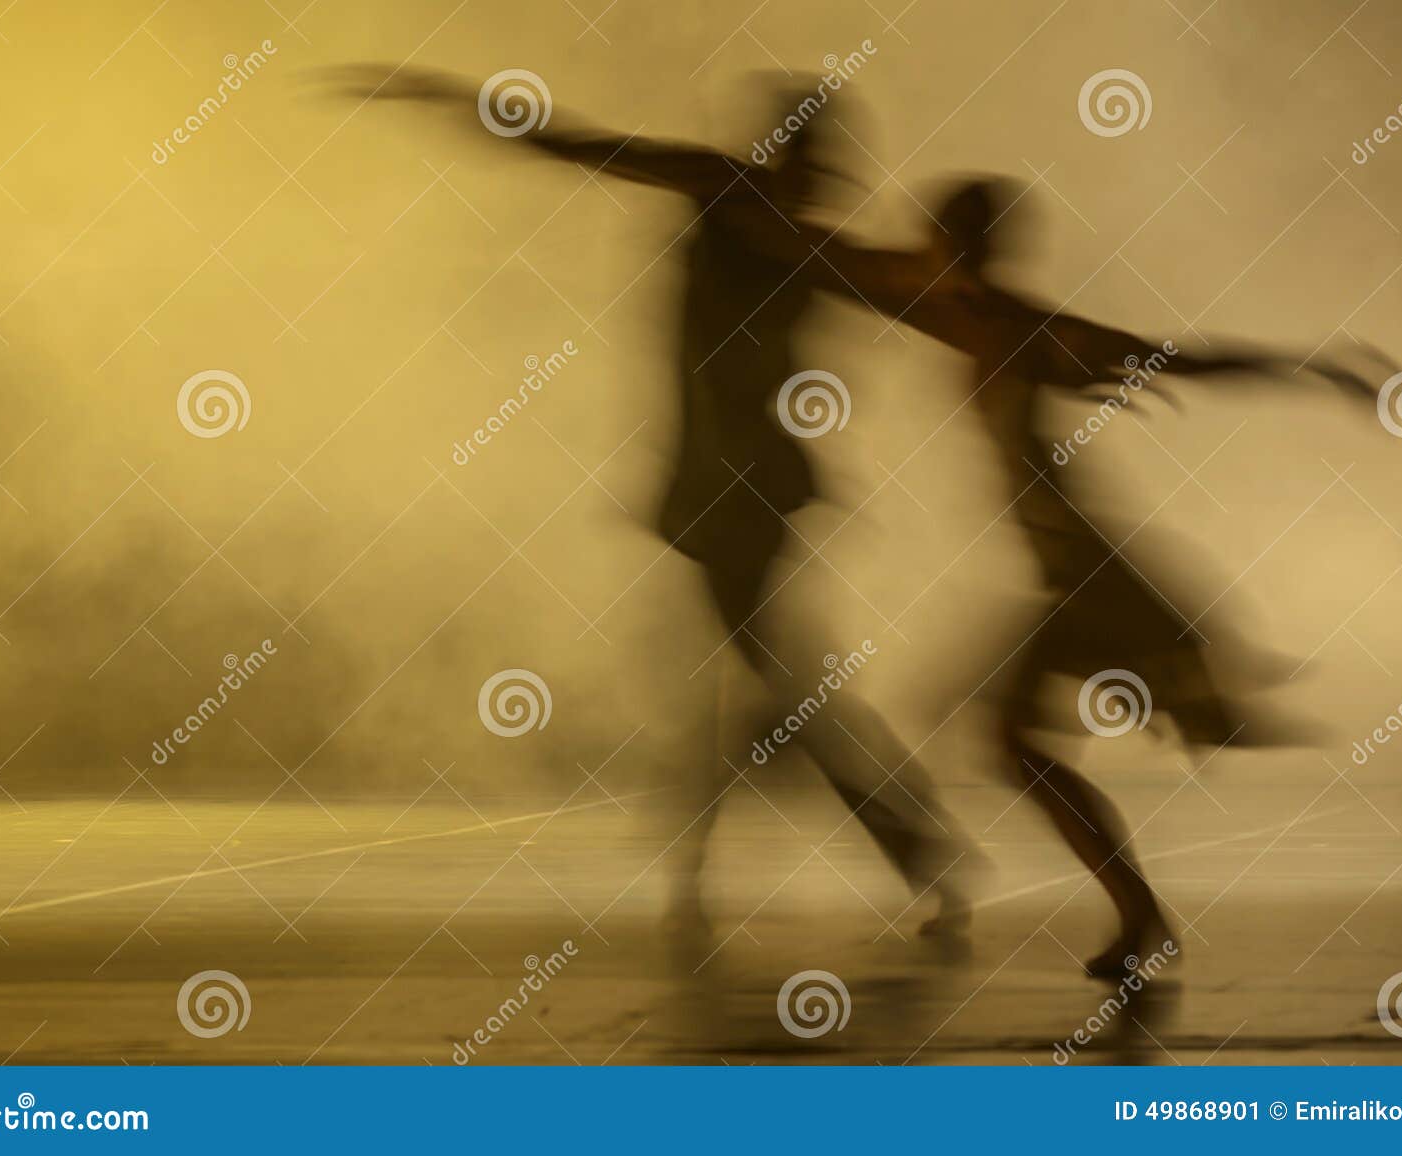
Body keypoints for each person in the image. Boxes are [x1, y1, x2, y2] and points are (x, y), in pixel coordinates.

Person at [321, 66, 984, 940]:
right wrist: (459, 101)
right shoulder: (729, 193)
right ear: (785, 152)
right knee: (760, 676)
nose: (820, 180)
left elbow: (919, 305)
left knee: (777, 676)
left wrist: (1046, 344)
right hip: (721, 493)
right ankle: (779, 854)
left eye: (825, 168)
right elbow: (592, 148)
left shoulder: (803, 244)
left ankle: (893, 849)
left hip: (750, 499)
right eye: (814, 161)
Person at [729, 175, 1383, 978]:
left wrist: (1312, 368)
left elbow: (1181, 360)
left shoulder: (1037, 335)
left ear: (989, 250)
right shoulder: (942, 308)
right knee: (1014, 745)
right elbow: (833, 262)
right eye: (944, 244)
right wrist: (739, 210)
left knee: (1008, 740)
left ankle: (1142, 908)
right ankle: (1141, 910)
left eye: (967, 246)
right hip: (1068, 578)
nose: (951, 261)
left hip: (1092, 578)